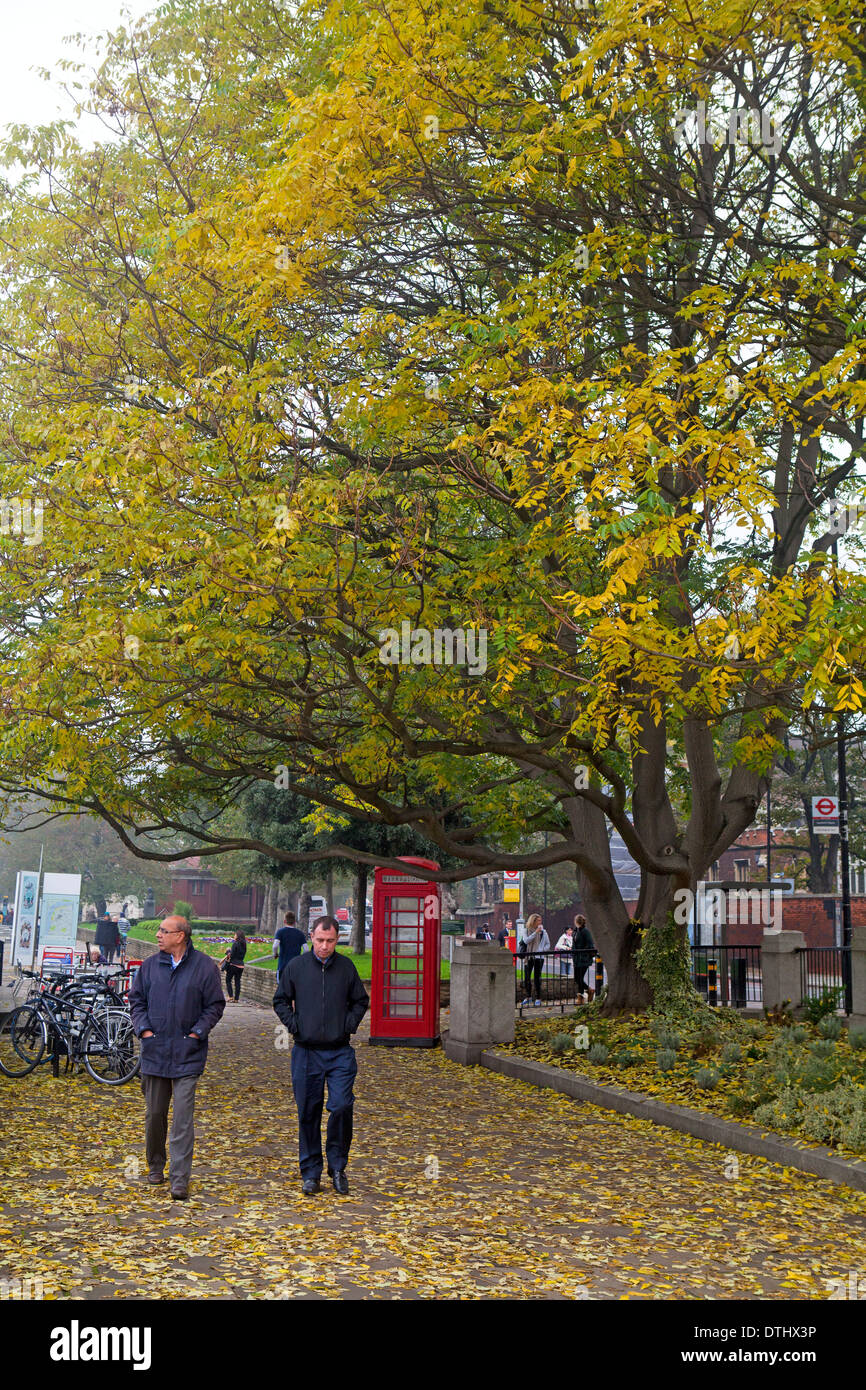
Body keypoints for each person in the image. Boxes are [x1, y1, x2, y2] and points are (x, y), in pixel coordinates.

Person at [129, 914, 226, 1200]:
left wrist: (197, 1032)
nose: (158, 935)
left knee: (183, 1119)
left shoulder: (205, 967)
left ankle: (180, 1179)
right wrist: (144, 1030)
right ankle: (155, 1165)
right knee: (155, 1115)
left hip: (188, 1054)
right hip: (155, 1052)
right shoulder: (149, 967)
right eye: (159, 930)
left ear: (180, 935)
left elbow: (215, 1005)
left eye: (163, 930)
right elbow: (136, 1001)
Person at [273, 915, 369, 1196]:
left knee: (340, 1107)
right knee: (308, 1112)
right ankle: (310, 1173)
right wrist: (294, 1026)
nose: (324, 946)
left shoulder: (346, 968)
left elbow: (361, 1001)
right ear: (311, 937)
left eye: (330, 941)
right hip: (306, 1052)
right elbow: (280, 999)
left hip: (339, 1052)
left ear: (336, 939)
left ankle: (337, 1168)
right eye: (319, 940)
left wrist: (348, 1026)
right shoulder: (297, 967)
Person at [520, 913, 549, 1005]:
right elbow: (526, 941)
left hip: (539, 957)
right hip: (529, 956)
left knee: (537, 978)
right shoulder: (526, 930)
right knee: (527, 977)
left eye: (541, 920)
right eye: (538, 920)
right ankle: (528, 996)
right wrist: (535, 932)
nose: (540, 922)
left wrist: (542, 950)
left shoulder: (543, 932)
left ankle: (538, 998)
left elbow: (548, 944)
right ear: (533, 921)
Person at [273, 910, 306, 979]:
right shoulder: (300, 933)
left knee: (282, 988)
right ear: (294, 922)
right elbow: (306, 949)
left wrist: (275, 954)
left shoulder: (280, 932)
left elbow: (275, 946)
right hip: (296, 966)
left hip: (283, 966)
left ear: (285, 921)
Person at [571, 914, 595, 1002]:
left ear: (576, 922)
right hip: (576, 959)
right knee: (577, 978)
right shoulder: (575, 931)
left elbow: (590, 945)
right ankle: (589, 991)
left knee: (579, 978)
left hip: (584, 959)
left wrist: (581, 952)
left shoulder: (585, 931)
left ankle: (581, 997)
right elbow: (574, 944)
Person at [223, 928, 247, 1002]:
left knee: (228, 980)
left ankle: (230, 997)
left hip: (233, 965)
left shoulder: (235, 944)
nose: (234, 936)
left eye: (235, 934)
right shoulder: (244, 945)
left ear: (238, 936)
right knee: (237, 982)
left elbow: (232, 956)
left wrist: (228, 952)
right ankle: (236, 999)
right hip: (241, 966)